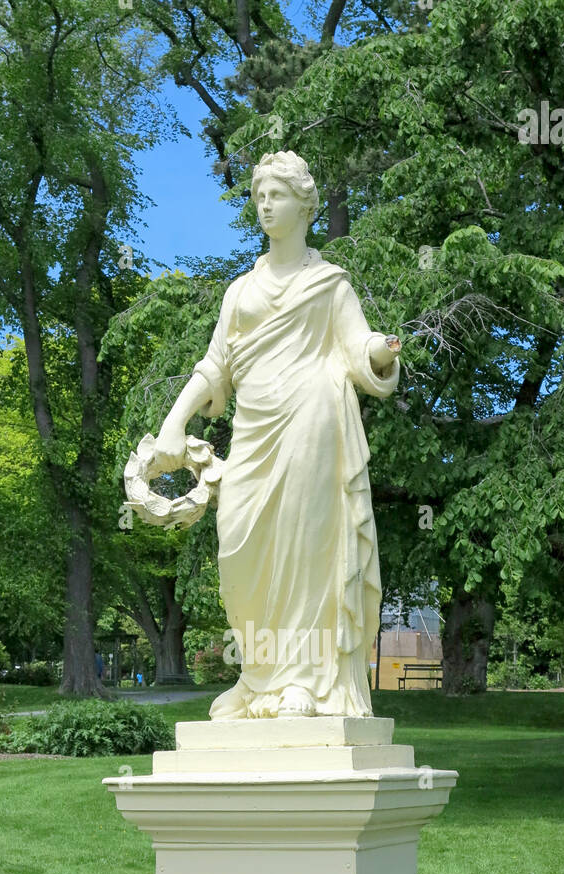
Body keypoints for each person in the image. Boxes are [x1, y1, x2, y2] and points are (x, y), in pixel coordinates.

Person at [151, 150, 401, 720]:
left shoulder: (329, 284)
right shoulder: (240, 291)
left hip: (313, 422)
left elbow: (359, 346)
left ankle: (305, 682)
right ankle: (258, 676)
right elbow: (216, 367)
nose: (265, 205)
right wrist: (174, 420)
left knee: (306, 550)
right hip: (254, 429)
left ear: (306, 205)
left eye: (277, 195)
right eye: (259, 196)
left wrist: (379, 352)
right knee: (239, 549)